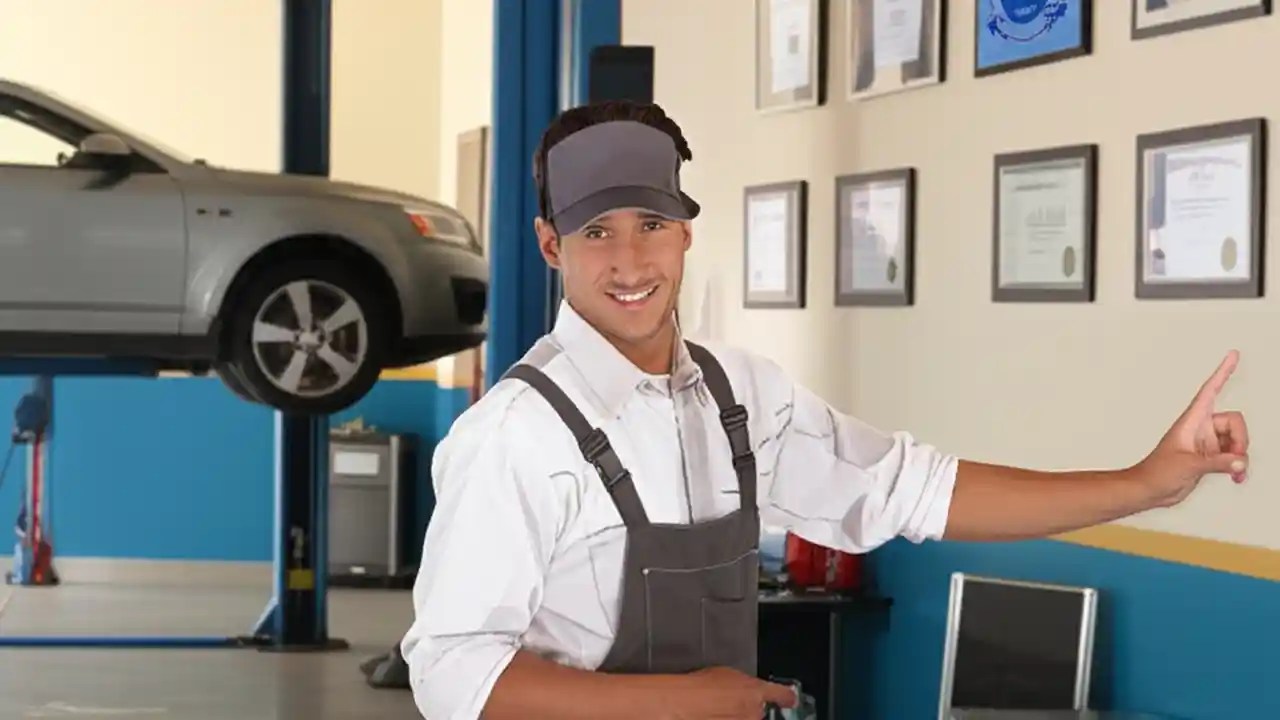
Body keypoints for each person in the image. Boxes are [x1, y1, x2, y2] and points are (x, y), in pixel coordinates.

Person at [399, 100, 1250, 720]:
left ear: (686, 233)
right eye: (595, 232)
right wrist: (678, 704)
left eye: (651, 224)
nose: (629, 260)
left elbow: (916, 491)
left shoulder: (742, 399)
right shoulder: (514, 434)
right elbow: (449, 670)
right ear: (551, 244)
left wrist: (1148, 482)